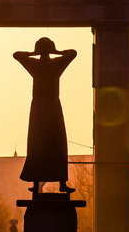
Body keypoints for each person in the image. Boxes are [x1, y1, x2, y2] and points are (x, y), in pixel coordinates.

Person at [13, 38, 79, 193]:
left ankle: (36, 184)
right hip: (53, 107)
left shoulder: (35, 65)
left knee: (37, 145)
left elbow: (17, 55)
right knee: (58, 145)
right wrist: (57, 52)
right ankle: (62, 183)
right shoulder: (56, 65)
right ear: (51, 49)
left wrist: (33, 53)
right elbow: (72, 53)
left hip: (38, 109)